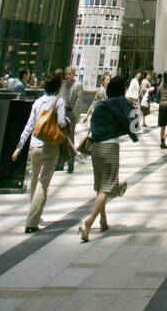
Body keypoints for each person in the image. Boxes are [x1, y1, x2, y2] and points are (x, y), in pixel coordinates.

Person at [78, 76, 137, 241]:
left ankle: (103, 221)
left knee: (100, 185)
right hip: (110, 146)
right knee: (106, 187)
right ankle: (89, 223)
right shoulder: (122, 103)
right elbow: (135, 126)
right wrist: (135, 111)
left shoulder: (101, 104)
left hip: (96, 147)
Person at [12, 71, 68, 233]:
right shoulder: (58, 102)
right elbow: (61, 122)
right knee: (43, 183)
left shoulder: (37, 102)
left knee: (34, 179)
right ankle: (32, 220)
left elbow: (29, 126)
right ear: (58, 87)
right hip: (50, 145)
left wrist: (19, 147)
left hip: (35, 146)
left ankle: (32, 210)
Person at [58, 65, 83, 172]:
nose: (68, 76)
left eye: (70, 74)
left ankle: (71, 164)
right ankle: (60, 164)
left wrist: (73, 114)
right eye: (67, 74)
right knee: (60, 137)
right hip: (62, 112)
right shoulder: (63, 85)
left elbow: (79, 101)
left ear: (74, 74)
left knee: (70, 138)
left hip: (70, 114)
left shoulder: (78, 85)